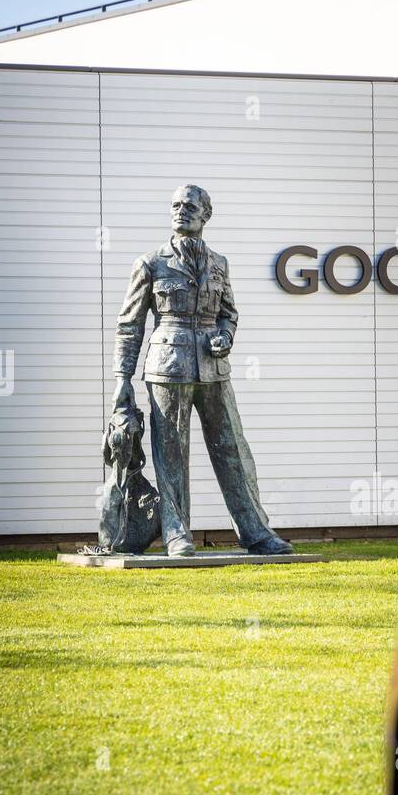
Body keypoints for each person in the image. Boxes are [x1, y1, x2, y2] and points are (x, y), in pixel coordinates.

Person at [111, 184, 292, 557]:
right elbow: (130, 325)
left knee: (233, 451)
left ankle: (256, 532)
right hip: (167, 368)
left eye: (189, 205)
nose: (180, 211)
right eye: (175, 205)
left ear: (206, 214)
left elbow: (229, 313)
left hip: (213, 370)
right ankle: (177, 533)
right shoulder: (150, 263)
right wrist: (122, 380)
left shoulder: (219, 263)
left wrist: (225, 335)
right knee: (171, 453)